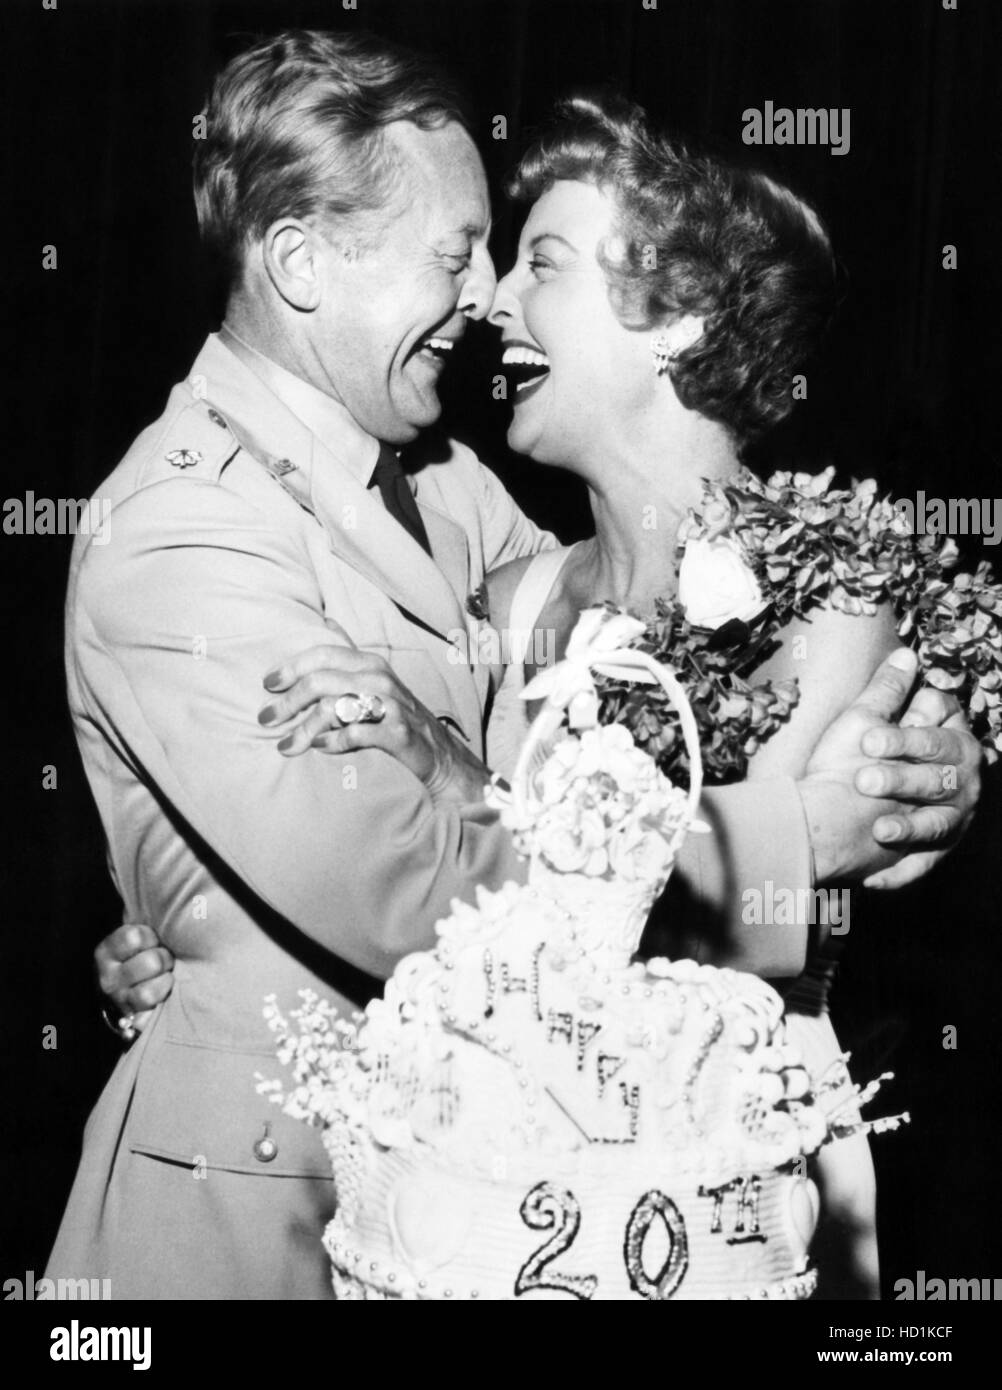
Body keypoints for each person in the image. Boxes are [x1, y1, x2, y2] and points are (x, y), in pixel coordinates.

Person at [80, 42, 979, 1302]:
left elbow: (522, 800)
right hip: (296, 1218)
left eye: (522, 259)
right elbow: (414, 893)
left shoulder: (456, 502)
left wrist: (939, 762)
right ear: (298, 263)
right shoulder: (185, 530)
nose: (488, 296)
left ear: (684, 320)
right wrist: (198, 927)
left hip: (698, 1195)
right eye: (458, 255)